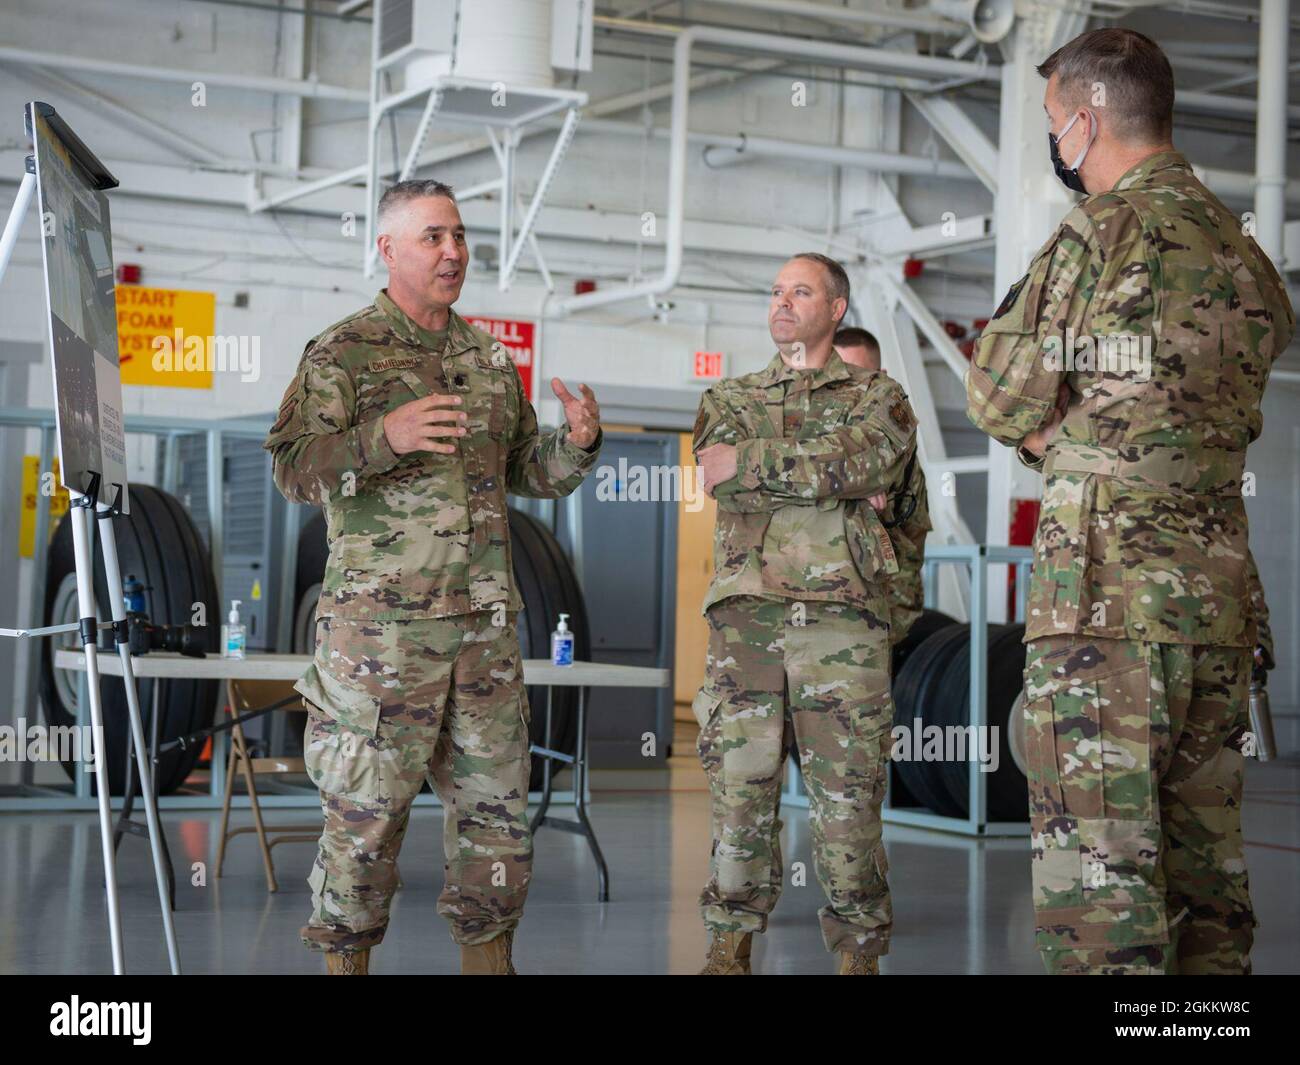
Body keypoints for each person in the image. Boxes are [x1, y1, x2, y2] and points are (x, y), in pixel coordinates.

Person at [966, 28, 1294, 974]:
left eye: (1050, 124)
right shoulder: (1241, 249)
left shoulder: (1101, 233)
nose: (1052, 143)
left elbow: (997, 394)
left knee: (1101, 885)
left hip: (1105, 610)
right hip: (1219, 608)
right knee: (1207, 884)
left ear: (1084, 121)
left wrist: (1066, 442)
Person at [264, 179, 603, 975]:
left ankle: (490, 962)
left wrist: (577, 444)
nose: (452, 252)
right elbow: (290, 469)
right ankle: (344, 964)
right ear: (387, 249)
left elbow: (524, 467)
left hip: (483, 635)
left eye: (458, 236)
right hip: (380, 640)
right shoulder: (340, 353)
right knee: (366, 819)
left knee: (497, 820)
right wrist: (383, 434)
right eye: (432, 238)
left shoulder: (486, 359)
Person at [692, 253, 920, 974]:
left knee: (848, 806)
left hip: (842, 628)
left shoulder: (879, 396)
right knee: (738, 798)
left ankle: (859, 957)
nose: (782, 302)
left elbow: (870, 467)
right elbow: (723, 470)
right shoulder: (731, 395)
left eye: (800, 290)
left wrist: (764, 465)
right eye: (775, 290)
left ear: (838, 307)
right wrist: (835, 481)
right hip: (747, 629)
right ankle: (729, 952)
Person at [834, 326, 931, 647]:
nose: (851, 389)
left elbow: (909, 539)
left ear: (881, 377)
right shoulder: (823, 435)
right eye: (841, 378)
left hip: (878, 605)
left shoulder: (894, 433)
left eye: (861, 378)